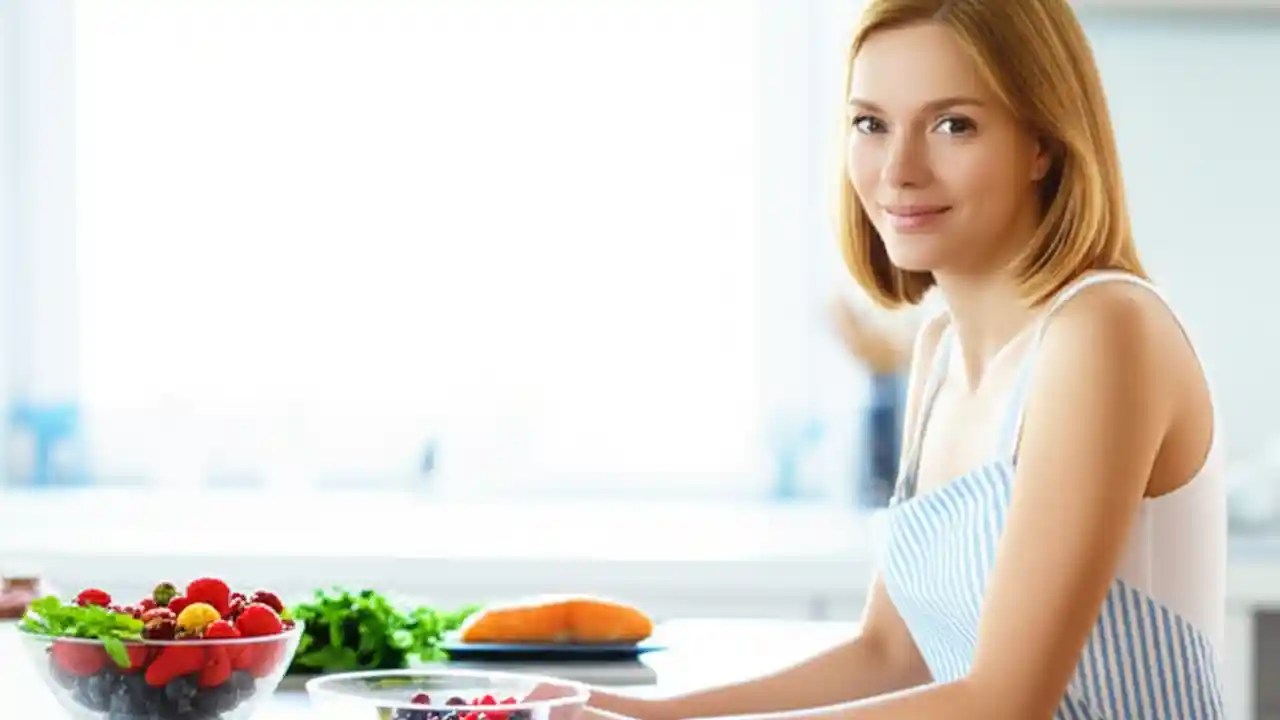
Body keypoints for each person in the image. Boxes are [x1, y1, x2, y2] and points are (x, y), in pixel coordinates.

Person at [577, 0, 1227, 717]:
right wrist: (643, 713)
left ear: (1043, 142)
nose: (898, 170)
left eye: (953, 125)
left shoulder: (1106, 329)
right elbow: (892, 656)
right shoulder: (940, 350)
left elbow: (1005, 703)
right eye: (871, 124)